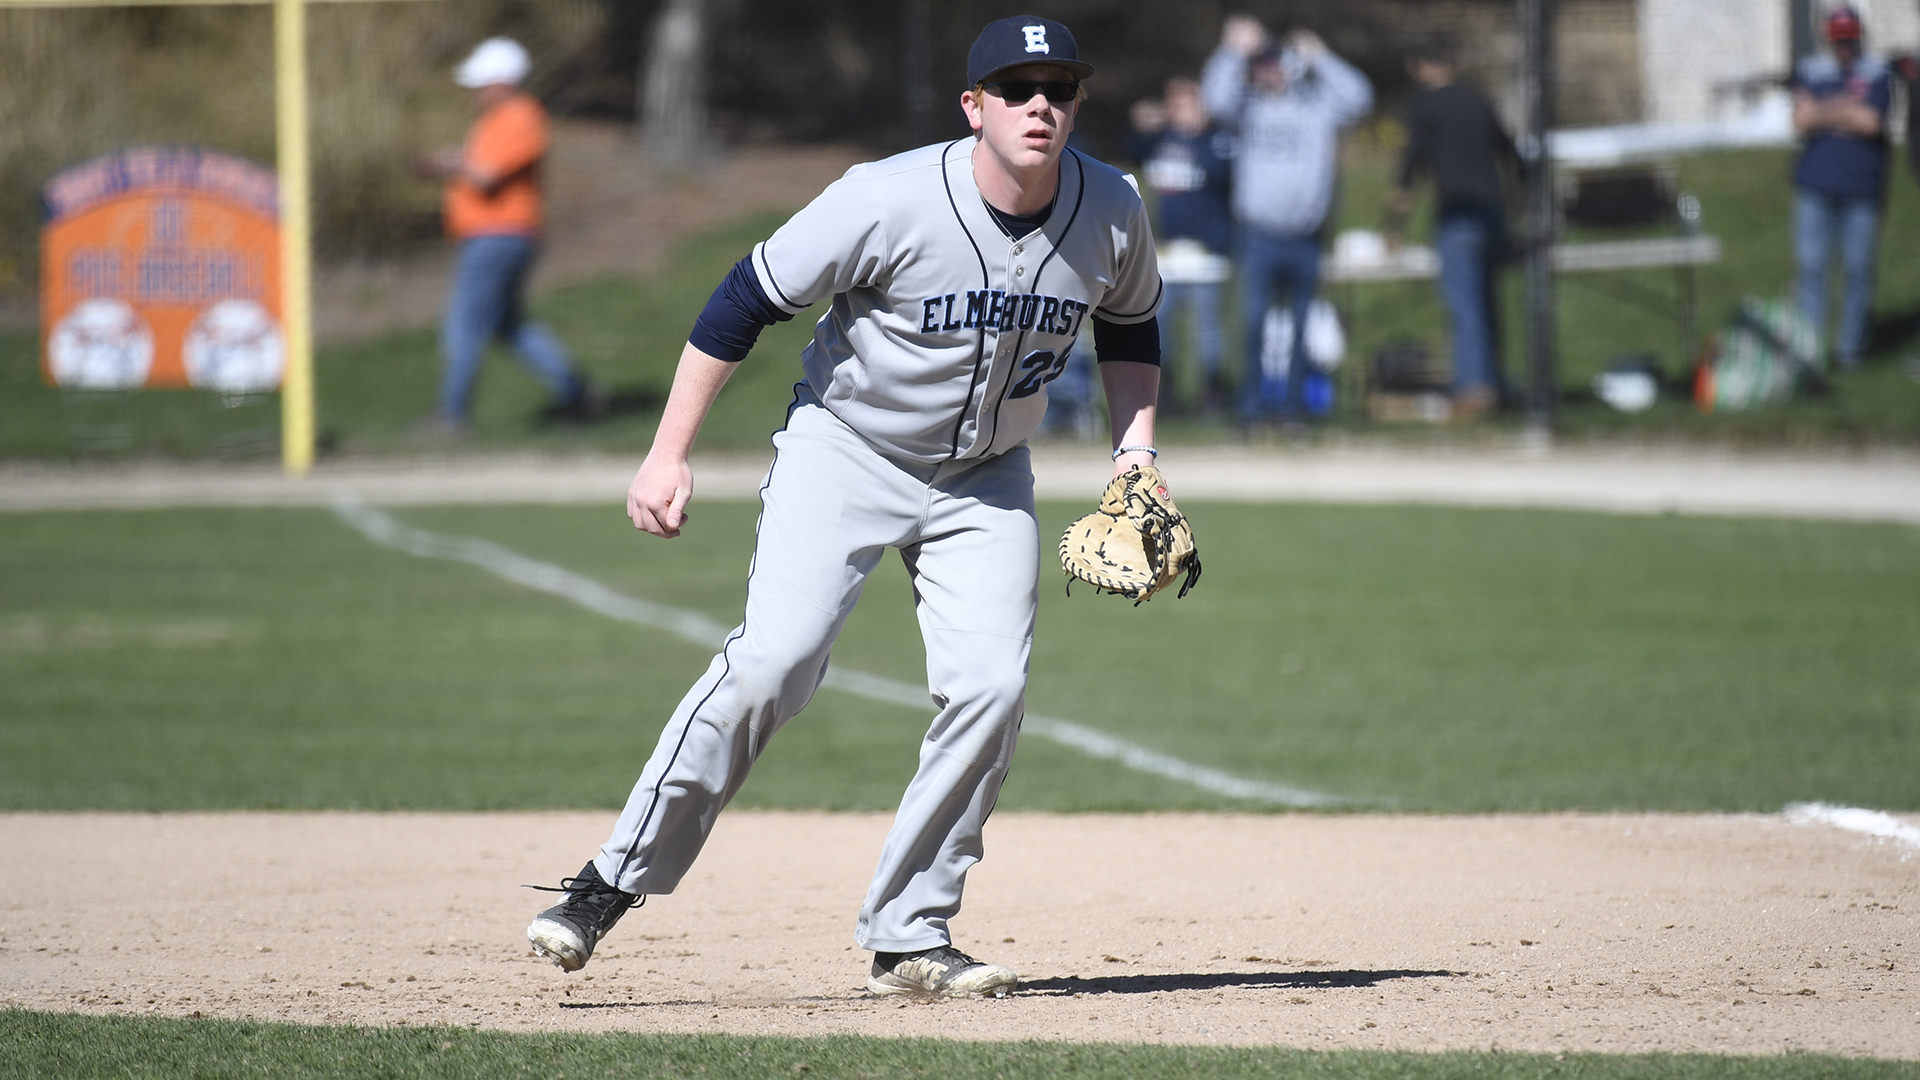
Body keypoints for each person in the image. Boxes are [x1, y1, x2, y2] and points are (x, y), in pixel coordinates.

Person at [522, 15, 1164, 999]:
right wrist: (665, 454)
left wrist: (1137, 455)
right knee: (775, 659)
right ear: (974, 105)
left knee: (990, 688)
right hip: (847, 452)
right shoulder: (888, 198)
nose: (1042, 104)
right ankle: (610, 881)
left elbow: (1131, 325)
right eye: (1017, 86)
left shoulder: (1111, 208)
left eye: (1061, 88)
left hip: (987, 478)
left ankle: (910, 933)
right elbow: (744, 301)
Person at [413, 37, 597, 437]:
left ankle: (451, 414)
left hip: (499, 236)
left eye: (480, 83)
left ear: (503, 81)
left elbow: (487, 176)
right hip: (493, 236)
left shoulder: (520, 116)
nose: (474, 92)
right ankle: (576, 389)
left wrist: (450, 163)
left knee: (463, 324)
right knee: (508, 326)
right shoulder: (494, 121)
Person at [1202, 15, 1371, 426]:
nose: (1268, 72)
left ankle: (1295, 408)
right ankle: (1252, 406)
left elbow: (1361, 98)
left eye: (1275, 64)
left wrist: (1322, 56)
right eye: (1261, 65)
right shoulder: (1248, 107)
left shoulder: (1318, 105)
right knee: (1254, 322)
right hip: (1258, 235)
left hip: (1307, 236)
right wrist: (1231, 49)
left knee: (1301, 326)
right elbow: (1214, 99)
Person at [1387, 36, 1518, 421]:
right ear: (1454, 63)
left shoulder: (1425, 108)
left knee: (1464, 305)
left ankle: (1474, 390)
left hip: (1458, 213)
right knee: (1489, 304)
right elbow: (1511, 153)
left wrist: (1393, 227)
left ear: (1419, 67)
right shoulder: (1478, 102)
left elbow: (1411, 168)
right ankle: (1497, 382)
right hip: (1494, 213)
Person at [1789, 5, 1892, 370]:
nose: (1845, 47)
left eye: (1849, 40)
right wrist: (1844, 107)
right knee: (1811, 268)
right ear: (1828, 40)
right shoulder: (1811, 70)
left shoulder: (1877, 72)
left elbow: (1870, 122)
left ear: (1858, 36)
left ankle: (1850, 350)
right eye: (1838, 41)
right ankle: (1810, 350)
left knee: (1857, 268)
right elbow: (1801, 119)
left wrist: (1825, 110)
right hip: (1815, 186)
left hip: (1861, 189)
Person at [1129, 78, 1235, 415]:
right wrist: (1143, 127)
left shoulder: (1216, 140)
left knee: (1207, 326)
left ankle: (1212, 391)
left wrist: (1199, 134)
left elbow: (1222, 175)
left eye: (1188, 103)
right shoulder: (1162, 140)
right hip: (1167, 251)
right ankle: (1166, 392)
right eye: (1175, 105)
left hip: (1206, 250)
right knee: (1161, 324)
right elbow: (1131, 152)